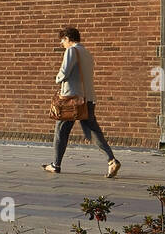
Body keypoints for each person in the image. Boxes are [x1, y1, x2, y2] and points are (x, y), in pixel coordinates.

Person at [42, 26, 121, 178]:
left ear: (67, 39)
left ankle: (55, 165)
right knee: (92, 131)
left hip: (72, 100)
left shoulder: (71, 51)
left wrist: (57, 78)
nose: (61, 44)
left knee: (60, 132)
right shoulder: (87, 53)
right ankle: (112, 160)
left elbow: (64, 72)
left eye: (62, 40)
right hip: (88, 98)